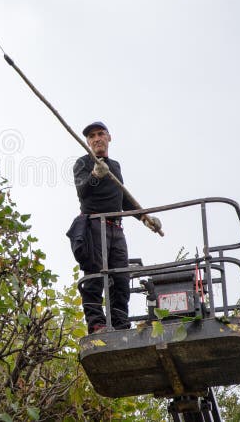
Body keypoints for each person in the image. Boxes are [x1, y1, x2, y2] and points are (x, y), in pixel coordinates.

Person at [72, 121, 162, 334]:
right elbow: (82, 192)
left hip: (116, 228)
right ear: (88, 142)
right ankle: (97, 325)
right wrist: (95, 175)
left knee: (120, 279)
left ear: (109, 137)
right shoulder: (83, 163)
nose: (96, 139)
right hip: (94, 226)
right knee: (95, 277)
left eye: (100, 134)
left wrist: (144, 218)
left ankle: (120, 325)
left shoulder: (115, 166)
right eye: (92, 136)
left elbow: (122, 197)